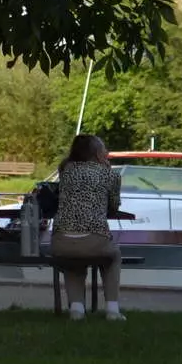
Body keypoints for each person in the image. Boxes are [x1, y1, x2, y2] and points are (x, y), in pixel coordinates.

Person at [50, 133, 124, 321]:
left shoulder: (66, 171)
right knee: (112, 257)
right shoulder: (110, 174)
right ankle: (112, 310)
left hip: (61, 241)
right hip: (94, 239)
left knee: (73, 261)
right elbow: (114, 206)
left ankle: (76, 309)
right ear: (98, 153)